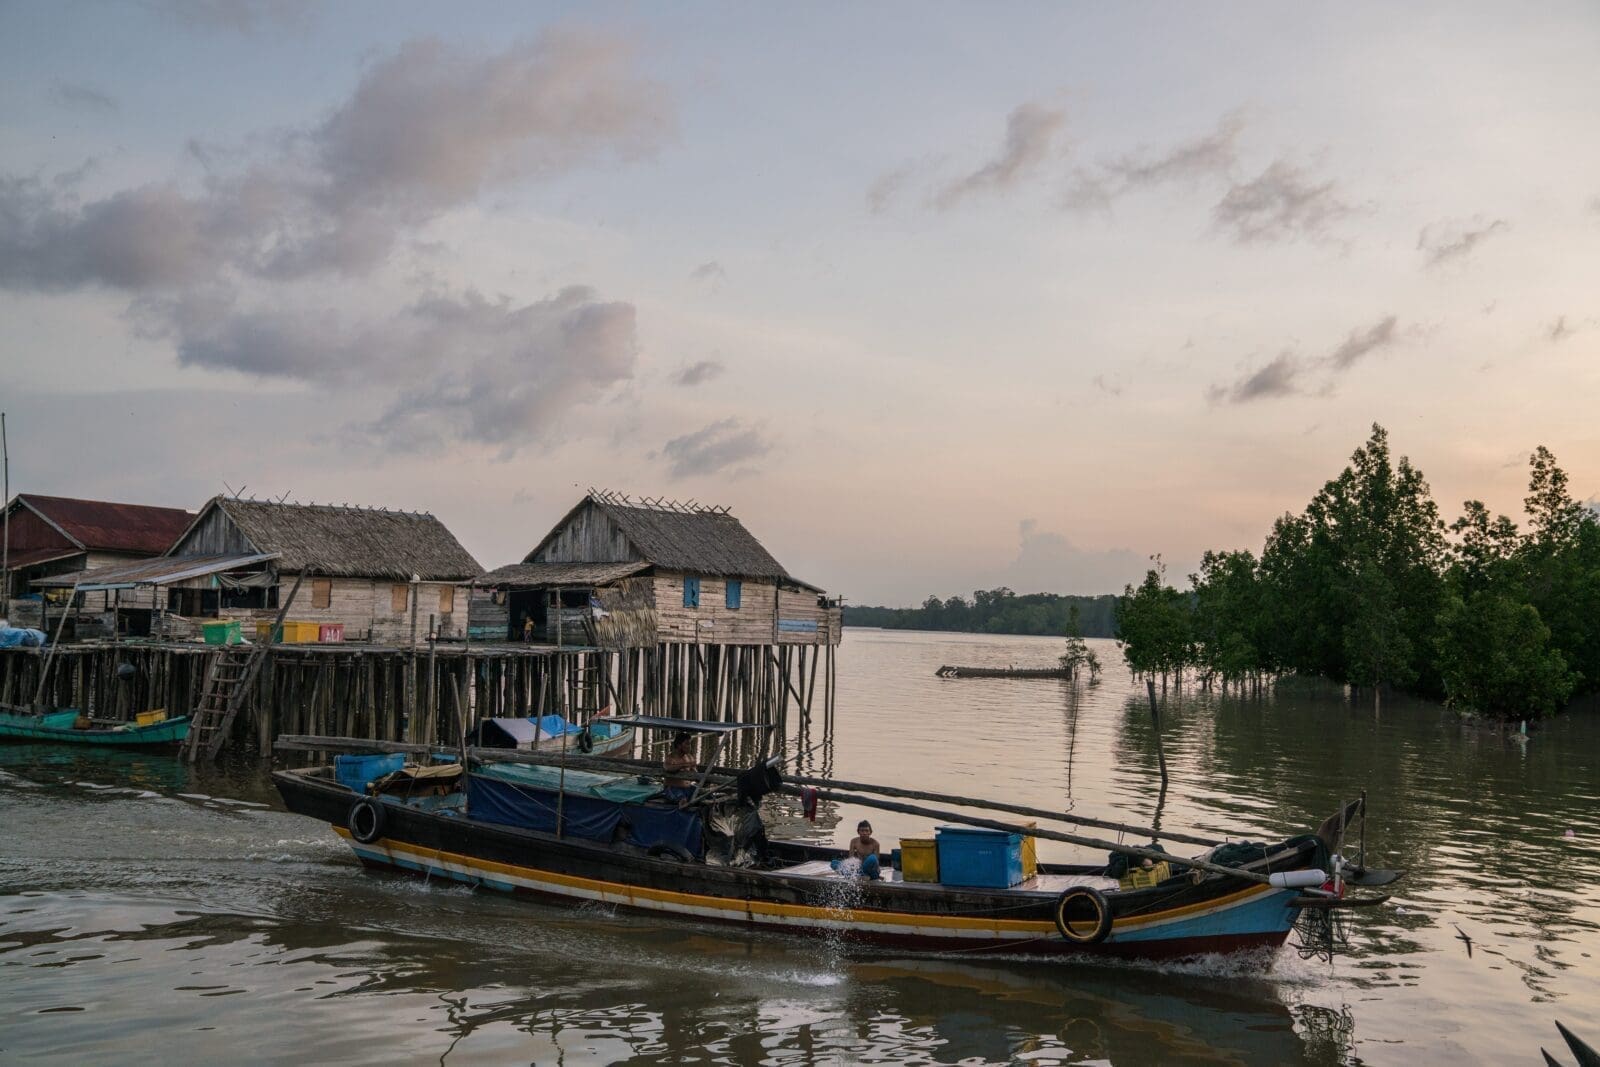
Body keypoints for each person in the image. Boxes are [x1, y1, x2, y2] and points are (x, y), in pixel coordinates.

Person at [663, 731, 697, 802]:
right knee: (682, 800)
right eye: (687, 744)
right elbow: (668, 768)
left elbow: (695, 773)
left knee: (706, 795)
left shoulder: (689, 757)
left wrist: (694, 771)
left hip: (688, 788)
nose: (689, 747)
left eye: (690, 744)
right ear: (679, 745)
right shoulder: (671, 757)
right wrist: (683, 765)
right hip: (673, 789)